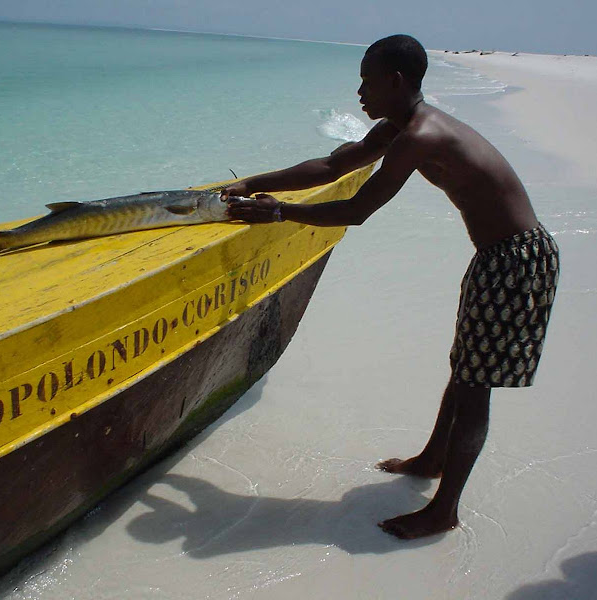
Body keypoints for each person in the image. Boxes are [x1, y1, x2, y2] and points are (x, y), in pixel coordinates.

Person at [224, 34, 559, 540]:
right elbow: (334, 165)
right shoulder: (396, 128)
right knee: (465, 364)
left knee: (474, 385)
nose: (360, 91)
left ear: (395, 81)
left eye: (367, 80)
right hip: (500, 256)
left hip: (517, 261)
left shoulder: (421, 135)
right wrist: (251, 184)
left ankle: (443, 511)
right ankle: (431, 460)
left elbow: (358, 210)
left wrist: (281, 213)